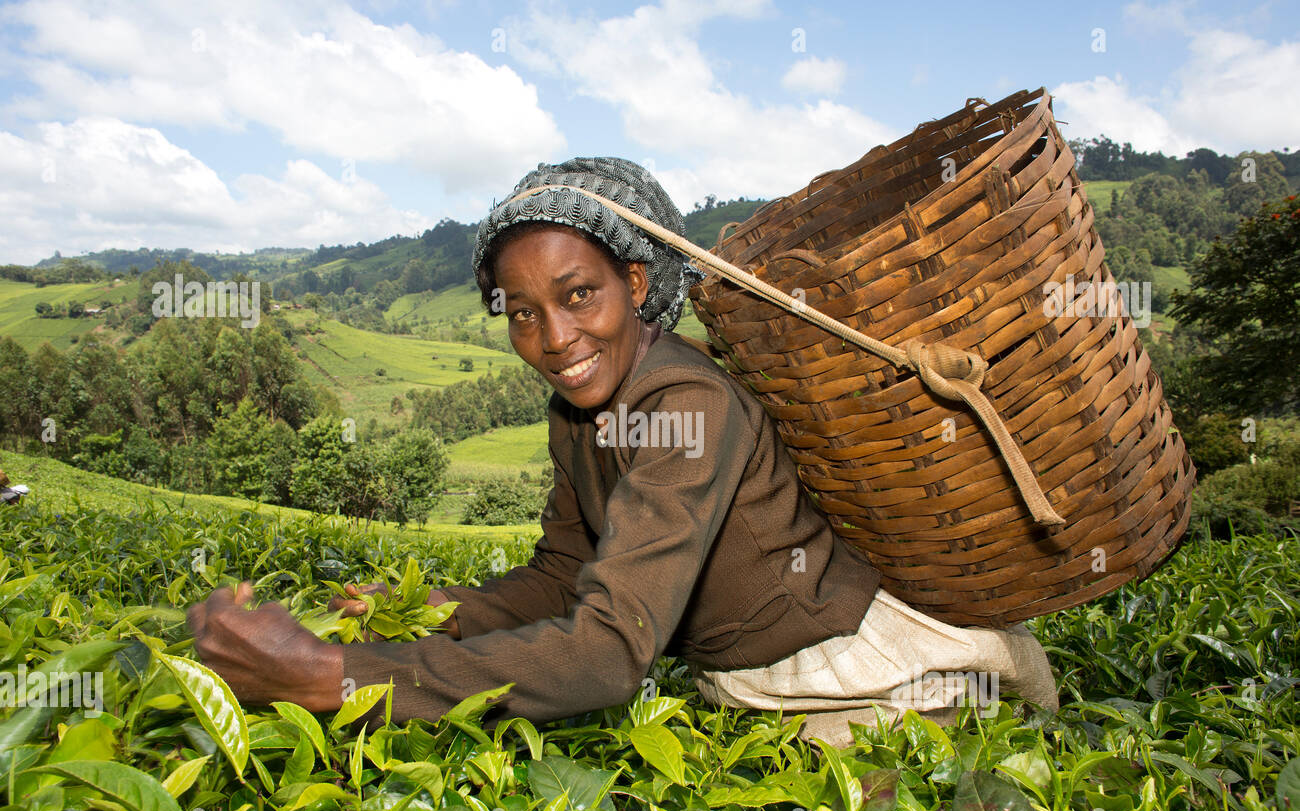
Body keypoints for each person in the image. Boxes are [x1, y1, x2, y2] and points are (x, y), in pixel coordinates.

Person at [188, 157, 1057, 746]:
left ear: (636, 285)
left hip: (860, 680)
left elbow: (605, 655)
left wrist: (328, 677)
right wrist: (435, 610)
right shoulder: (577, 415)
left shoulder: (687, 402)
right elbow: (564, 574)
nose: (554, 336)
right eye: (523, 312)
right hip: (748, 686)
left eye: (578, 296)